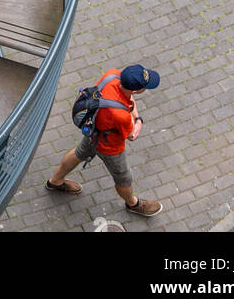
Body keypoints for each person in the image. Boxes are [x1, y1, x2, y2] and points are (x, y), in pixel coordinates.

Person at [46, 64, 163, 217]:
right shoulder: (121, 116)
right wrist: (138, 121)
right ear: (135, 90)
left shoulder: (112, 75)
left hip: (94, 132)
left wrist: (135, 116)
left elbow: (128, 98)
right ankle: (133, 204)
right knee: (123, 178)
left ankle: (55, 181)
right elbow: (131, 136)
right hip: (110, 147)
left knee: (79, 153)